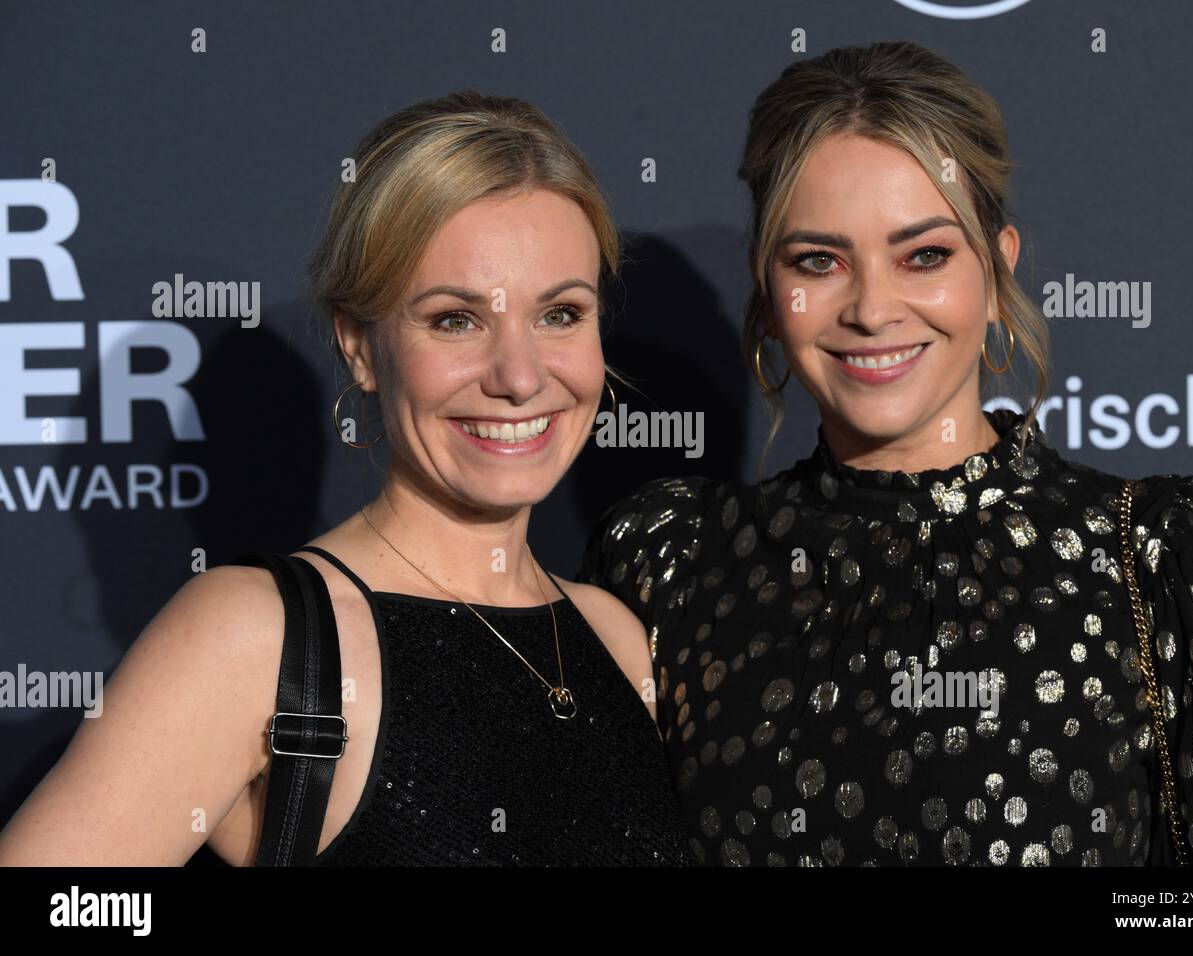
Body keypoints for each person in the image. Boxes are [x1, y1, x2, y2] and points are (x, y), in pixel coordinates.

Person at [577, 42, 1193, 866]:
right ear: (768, 290)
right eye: (820, 261)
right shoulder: (671, 561)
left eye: (924, 255)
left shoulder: (1165, 559)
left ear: (996, 272)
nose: (873, 309)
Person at [0, 92, 693, 866]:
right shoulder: (260, 634)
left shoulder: (617, 638)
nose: (519, 378)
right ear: (360, 345)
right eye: (455, 319)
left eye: (560, 313)